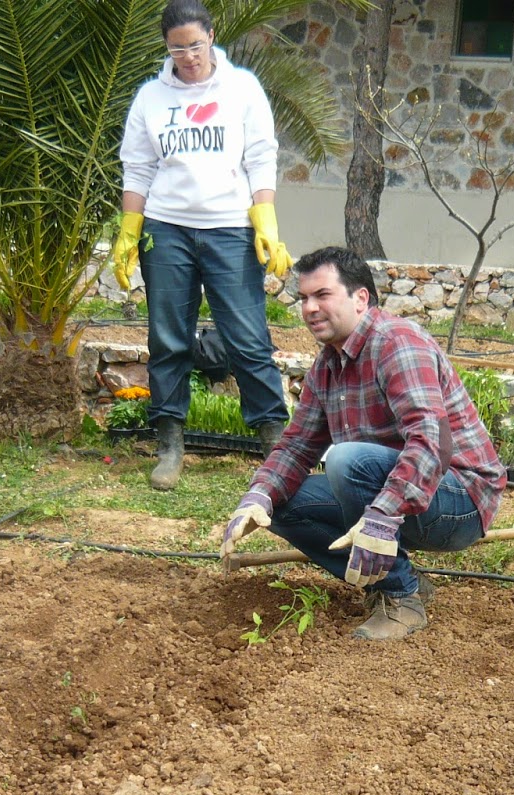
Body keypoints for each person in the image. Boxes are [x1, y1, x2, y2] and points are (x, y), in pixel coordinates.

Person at [219, 246, 507, 641]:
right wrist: (258, 497)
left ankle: (400, 598)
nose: (309, 308)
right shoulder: (326, 366)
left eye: (322, 295)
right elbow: (295, 447)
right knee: (281, 506)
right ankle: (403, 577)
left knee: (347, 461)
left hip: (458, 498)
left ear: (360, 298)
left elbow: (432, 442)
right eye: (303, 298)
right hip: (393, 493)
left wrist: (382, 516)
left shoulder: (397, 344)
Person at [113, 0, 293, 491]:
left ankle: (275, 447)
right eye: (177, 48)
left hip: (231, 229)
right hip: (166, 228)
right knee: (168, 338)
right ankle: (170, 444)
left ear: (211, 37)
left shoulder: (242, 89)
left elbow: (261, 155)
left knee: (249, 339)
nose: (188, 56)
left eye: (195, 45)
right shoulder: (151, 98)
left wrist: (265, 220)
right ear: (166, 48)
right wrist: (131, 229)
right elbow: (138, 166)